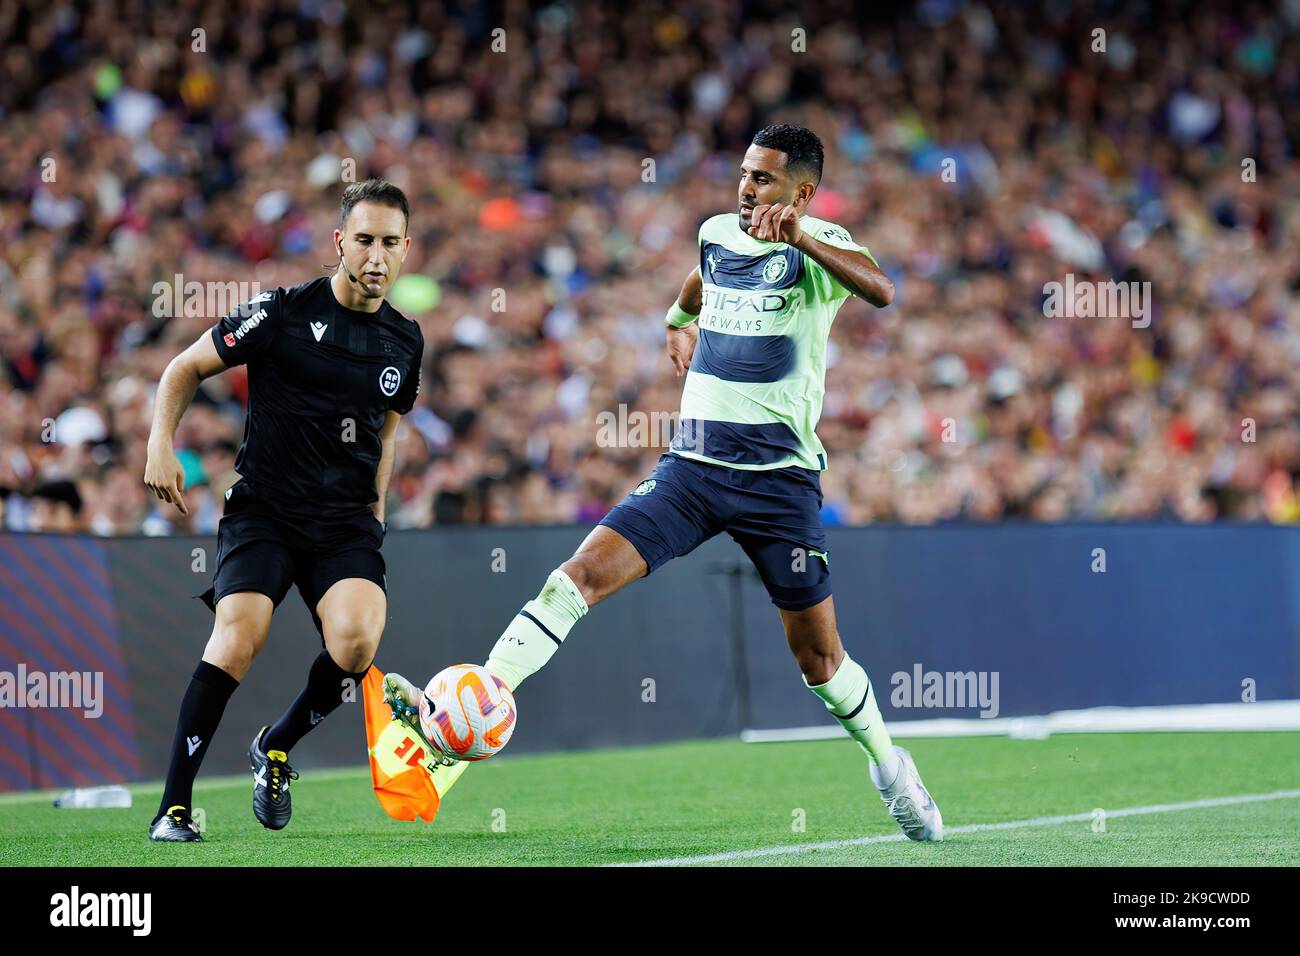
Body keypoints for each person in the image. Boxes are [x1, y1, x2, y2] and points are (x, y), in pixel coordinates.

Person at [389, 126, 942, 841]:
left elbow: (883, 290)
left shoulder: (822, 247)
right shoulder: (718, 232)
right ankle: (482, 694)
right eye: (746, 174)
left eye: (766, 180)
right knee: (579, 575)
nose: (748, 189)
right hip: (694, 470)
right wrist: (678, 319)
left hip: (780, 484)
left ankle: (890, 766)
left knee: (820, 661)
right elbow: (700, 275)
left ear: (801, 192)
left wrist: (801, 238)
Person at [143, 179, 424, 841]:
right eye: (364, 239)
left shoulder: (404, 342)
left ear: (406, 249)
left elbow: (385, 428)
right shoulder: (280, 313)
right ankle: (174, 808)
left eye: (389, 241)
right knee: (239, 635)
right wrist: (161, 441)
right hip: (265, 512)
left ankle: (276, 744)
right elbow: (184, 368)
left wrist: (376, 508)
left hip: (344, 522)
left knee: (356, 643)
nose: (376, 254)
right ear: (339, 243)